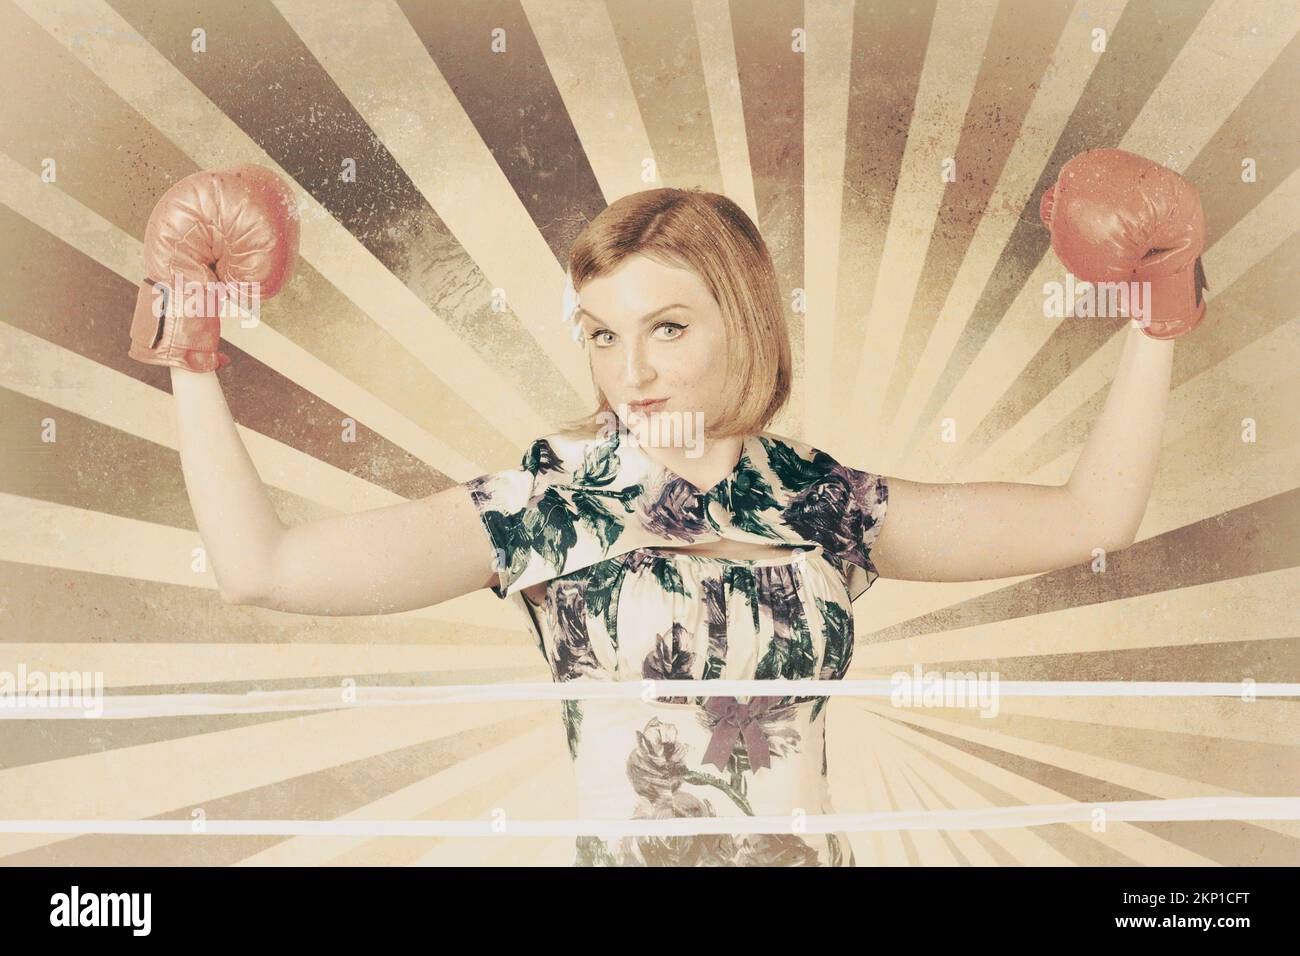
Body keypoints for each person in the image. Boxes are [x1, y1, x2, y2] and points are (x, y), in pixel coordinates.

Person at [133, 151, 1206, 866]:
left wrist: (1158, 312)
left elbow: (1091, 518)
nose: (631, 370)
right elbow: (261, 567)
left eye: (669, 328)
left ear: (744, 319)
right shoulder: (550, 503)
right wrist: (189, 340)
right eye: (604, 334)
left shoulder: (821, 502)